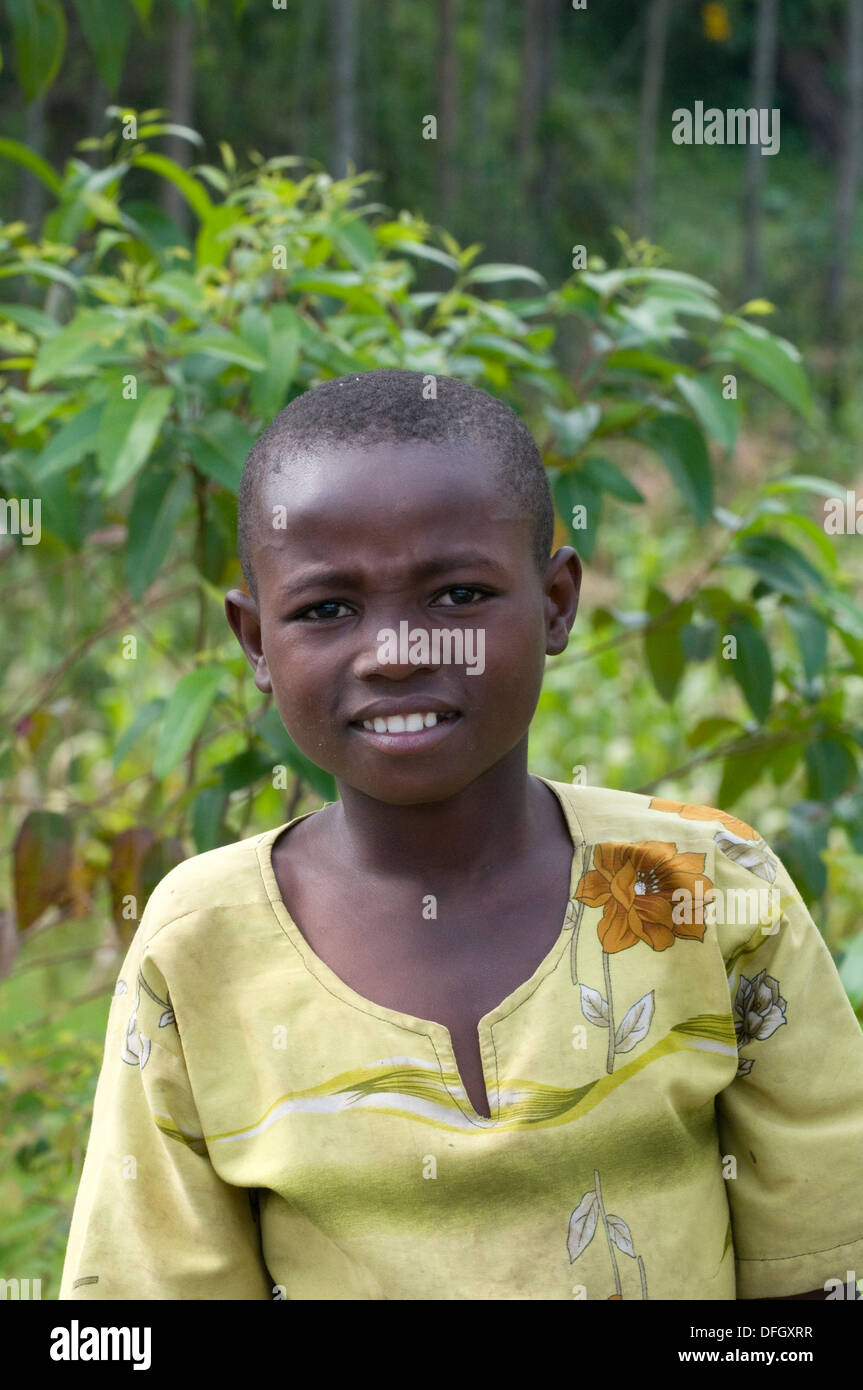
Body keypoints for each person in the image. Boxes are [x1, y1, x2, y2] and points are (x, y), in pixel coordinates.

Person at [60, 370, 863, 1300]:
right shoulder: (201, 947)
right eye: (327, 610)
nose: (397, 652)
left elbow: (824, 1268)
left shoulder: (707, 887)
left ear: (556, 602)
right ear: (253, 644)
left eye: (455, 597)